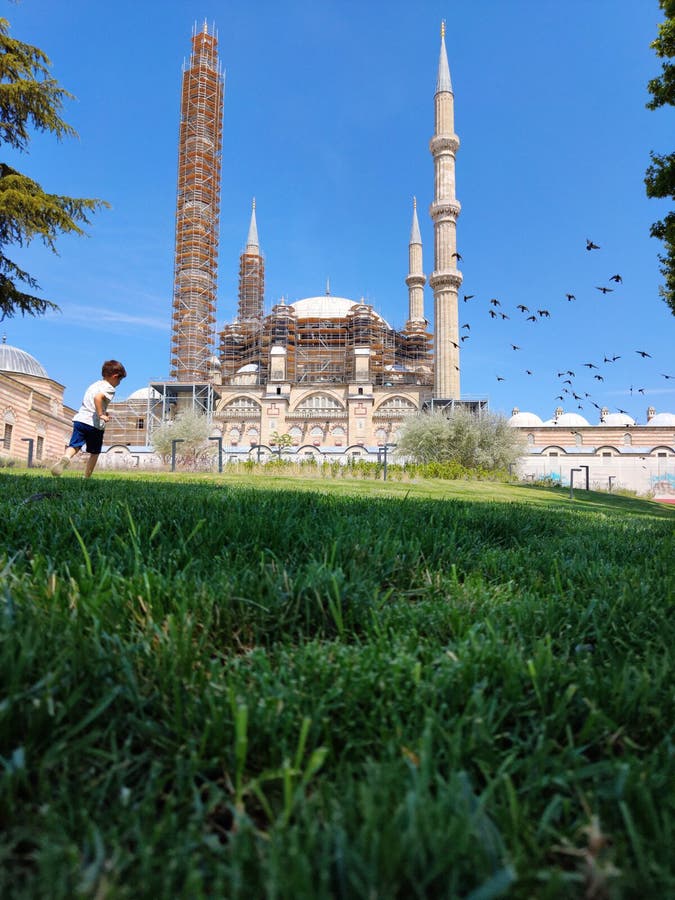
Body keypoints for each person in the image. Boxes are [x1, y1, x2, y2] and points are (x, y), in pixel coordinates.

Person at [51, 359, 127, 478]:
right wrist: (101, 414)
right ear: (115, 376)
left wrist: (103, 411)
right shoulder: (110, 388)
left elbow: (93, 401)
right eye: (120, 380)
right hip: (94, 425)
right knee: (94, 452)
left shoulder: (94, 385)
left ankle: (66, 458)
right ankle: (86, 477)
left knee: (75, 445)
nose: (119, 383)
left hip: (80, 420)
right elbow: (98, 398)